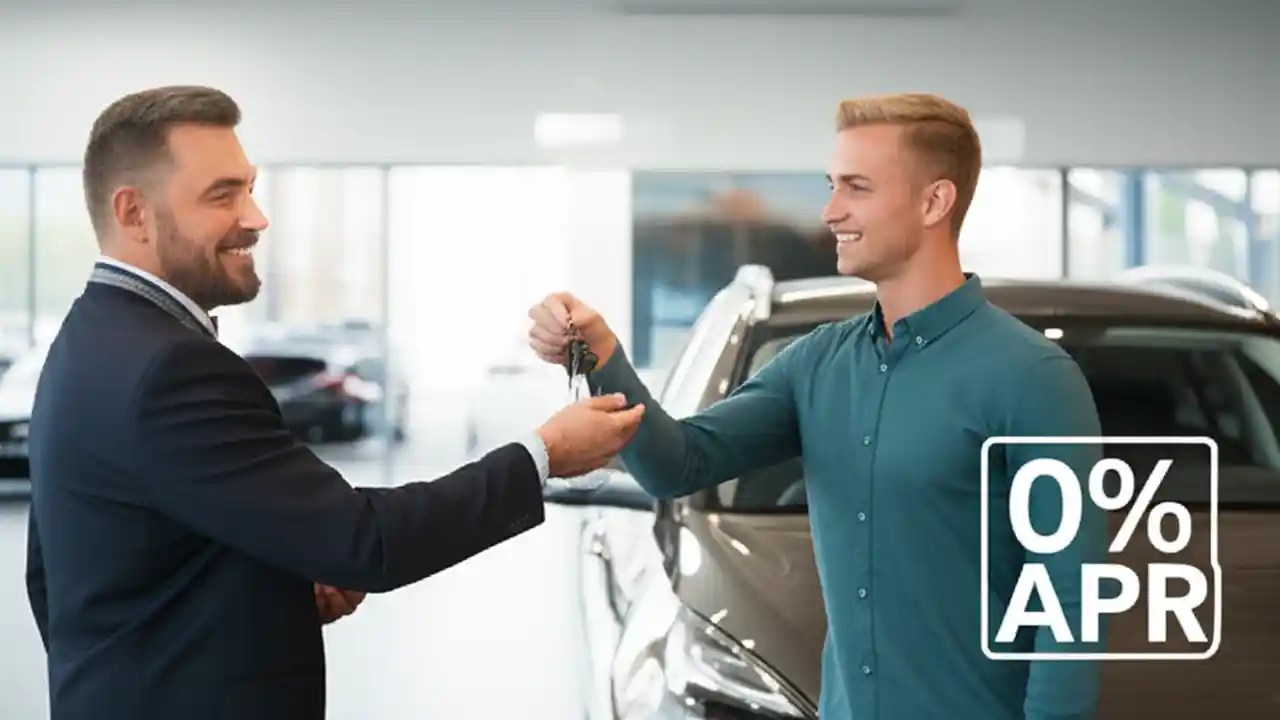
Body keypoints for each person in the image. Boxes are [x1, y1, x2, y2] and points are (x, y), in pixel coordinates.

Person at [24, 85, 645, 720]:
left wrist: (271, 594)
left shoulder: (87, 340)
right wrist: (544, 455)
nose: (256, 216)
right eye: (223, 194)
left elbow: (65, 579)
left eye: (250, 187)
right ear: (133, 213)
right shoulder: (170, 366)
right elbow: (367, 540)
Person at [528, 93, 1106, 720]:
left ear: (934, 201)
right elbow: (679, 464)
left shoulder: (1033, 379)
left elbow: (1070, 603)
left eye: (856, 188)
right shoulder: (818, 365)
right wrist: (604, 353)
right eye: (832, 186)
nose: (830, 212)